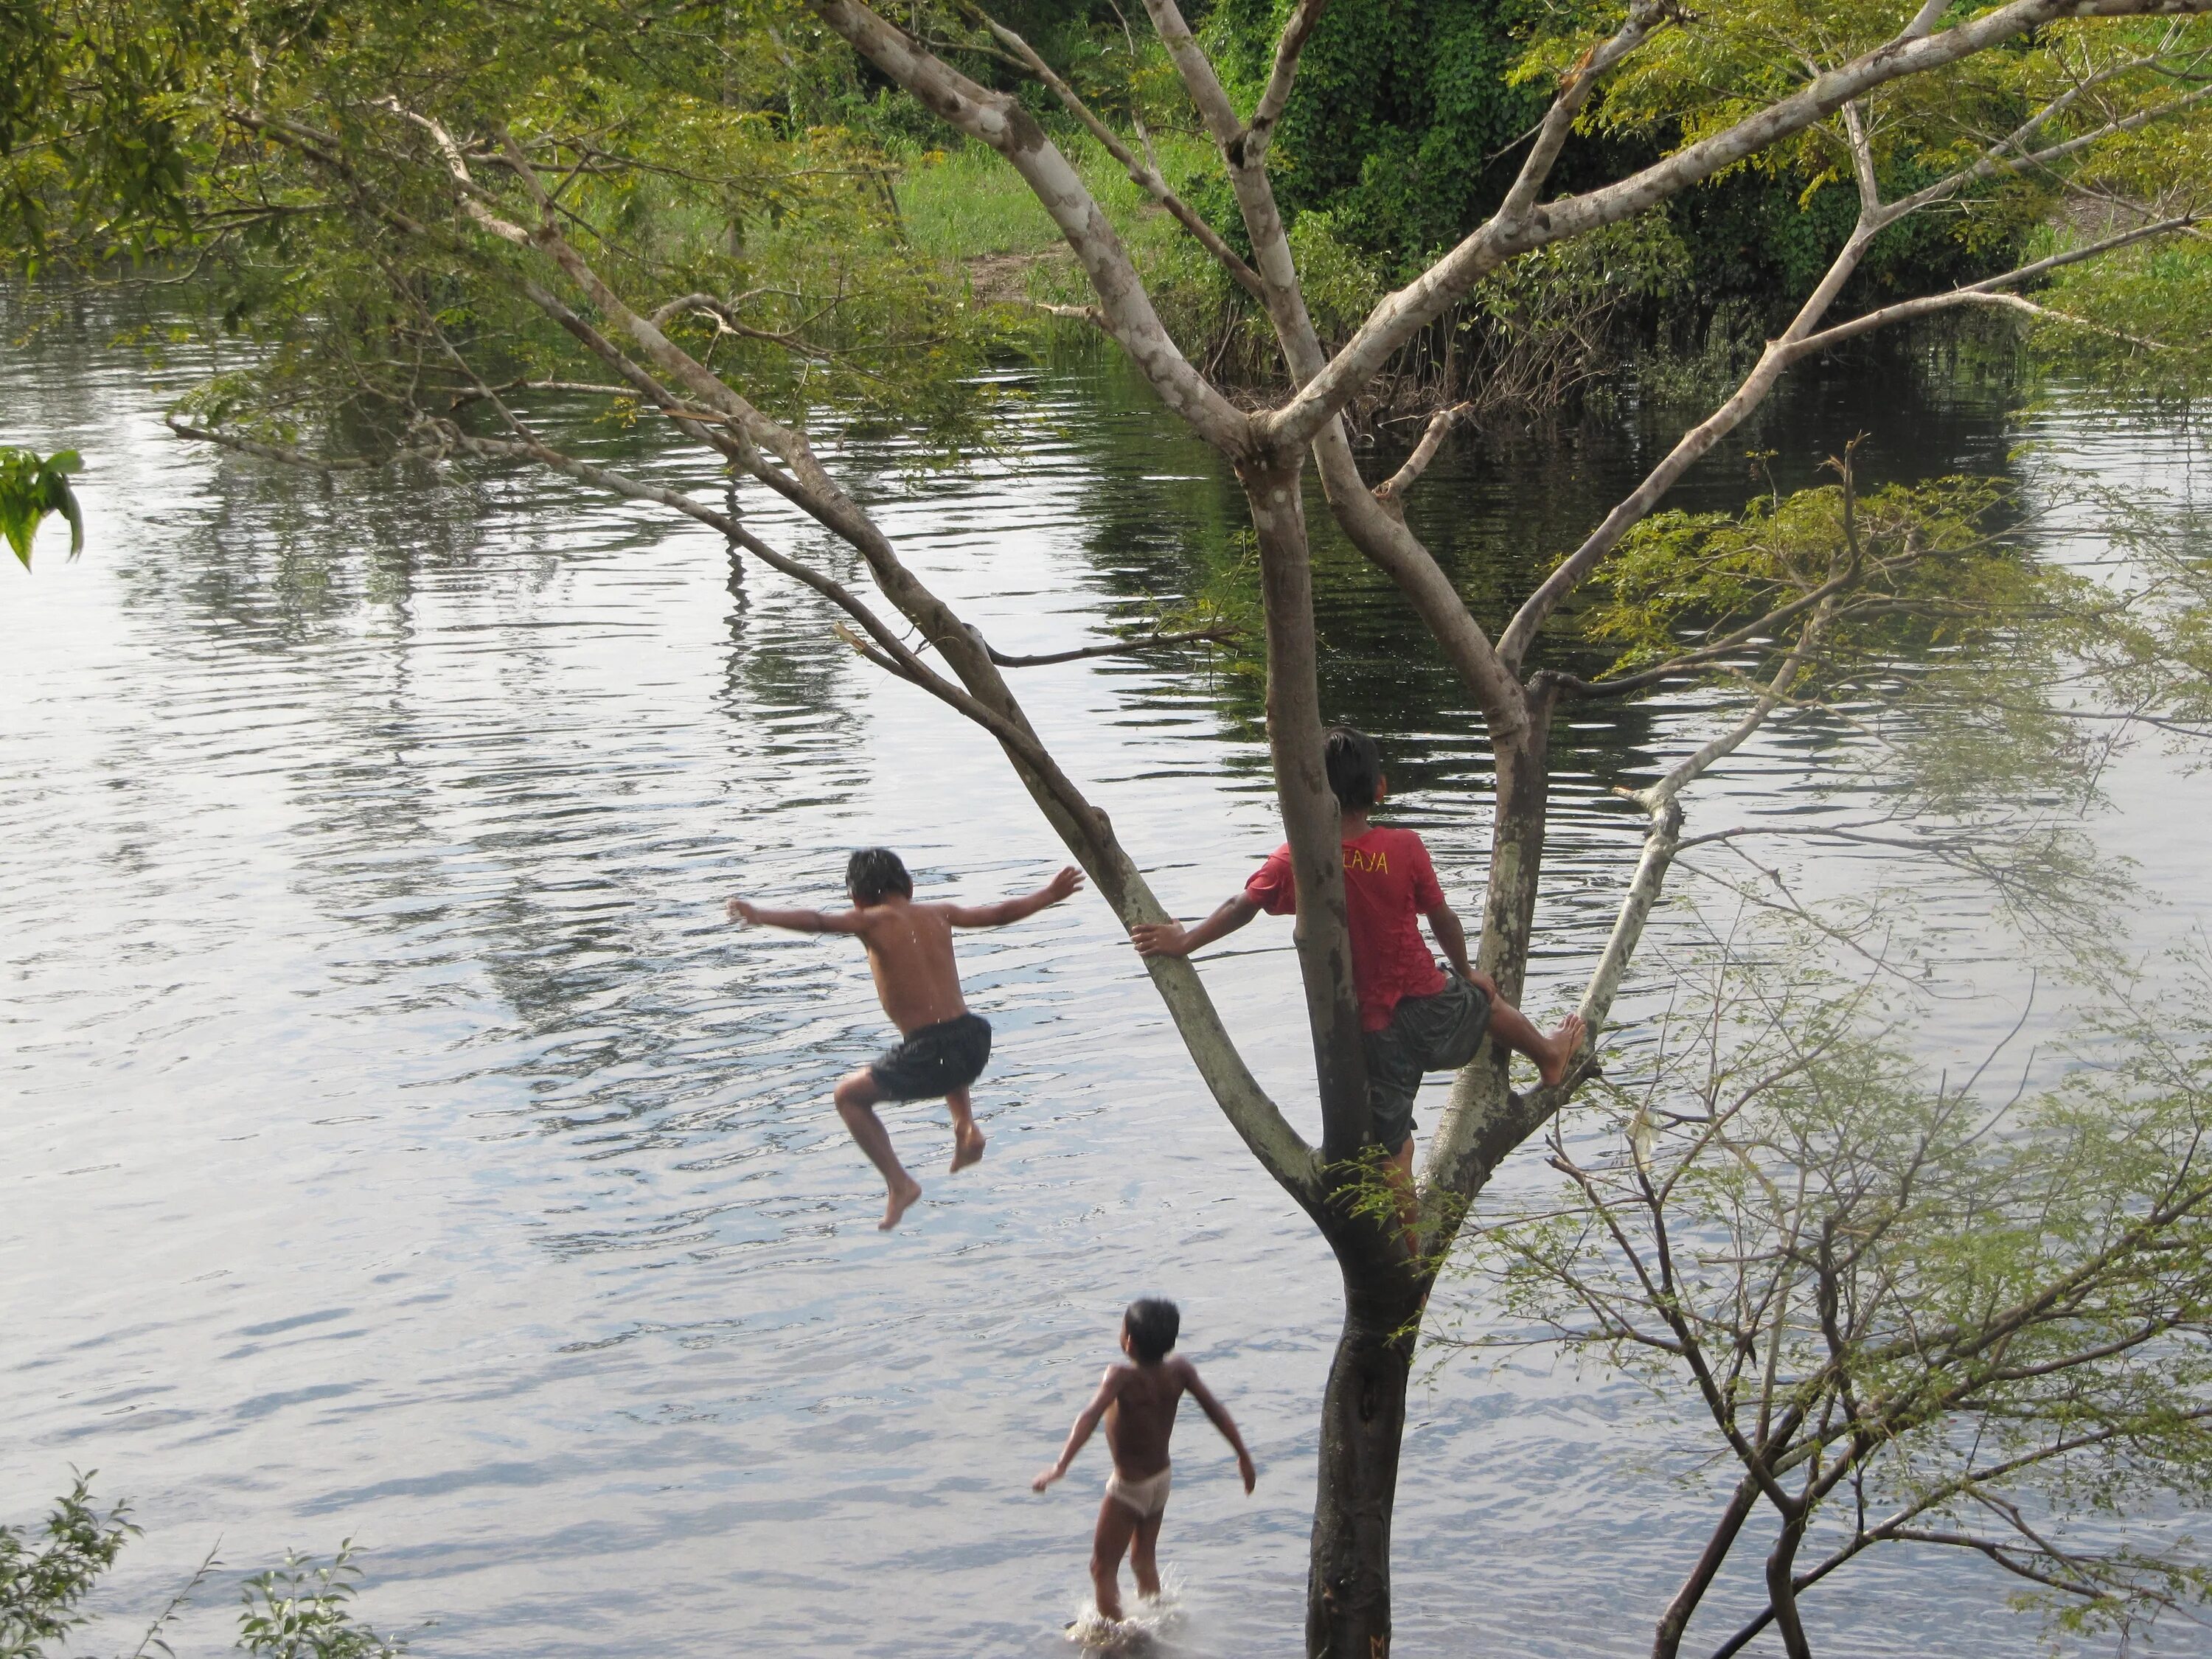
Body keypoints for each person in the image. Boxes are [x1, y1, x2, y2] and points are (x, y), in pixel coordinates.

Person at [1130, 727, 1585, 1192]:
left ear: (1309, 794)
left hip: (1370, 1031)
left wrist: (1183, 942)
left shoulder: (1298, 860)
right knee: (1484, 1002)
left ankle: (1402, 1247)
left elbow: (1241, 906)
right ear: (1379, 789)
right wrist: (1467, 972)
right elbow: (1443, 918)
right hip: (1430, 1006)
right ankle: (1548, 1054)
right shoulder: (1405, 846)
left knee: (1392, 1150)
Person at [728, 848, 1084, 1229]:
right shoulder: (939, 912)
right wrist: (1048, 894)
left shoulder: (869, 921)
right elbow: (998, 913)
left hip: (934, 1049)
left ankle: (899, 1183)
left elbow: (817, 921)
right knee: (944, 1044)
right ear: (910, 887)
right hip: (973, 1038)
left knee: (848, 1097)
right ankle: (965, 1127)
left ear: (858, 898)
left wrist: (761, 915)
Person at [1032, 1298, 1255, 1624]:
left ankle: (1118, 1633)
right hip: (1161, 1481)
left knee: (1102, 1567)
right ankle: (1156, 1620)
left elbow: (1089, 1416)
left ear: (1129, 1341)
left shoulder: (1120, 1377)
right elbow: (1216, 1410)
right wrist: (1243, 1456)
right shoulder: (1181, 1371)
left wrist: (1060, 1465)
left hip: (1129, 1487)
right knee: (1142, 1559)